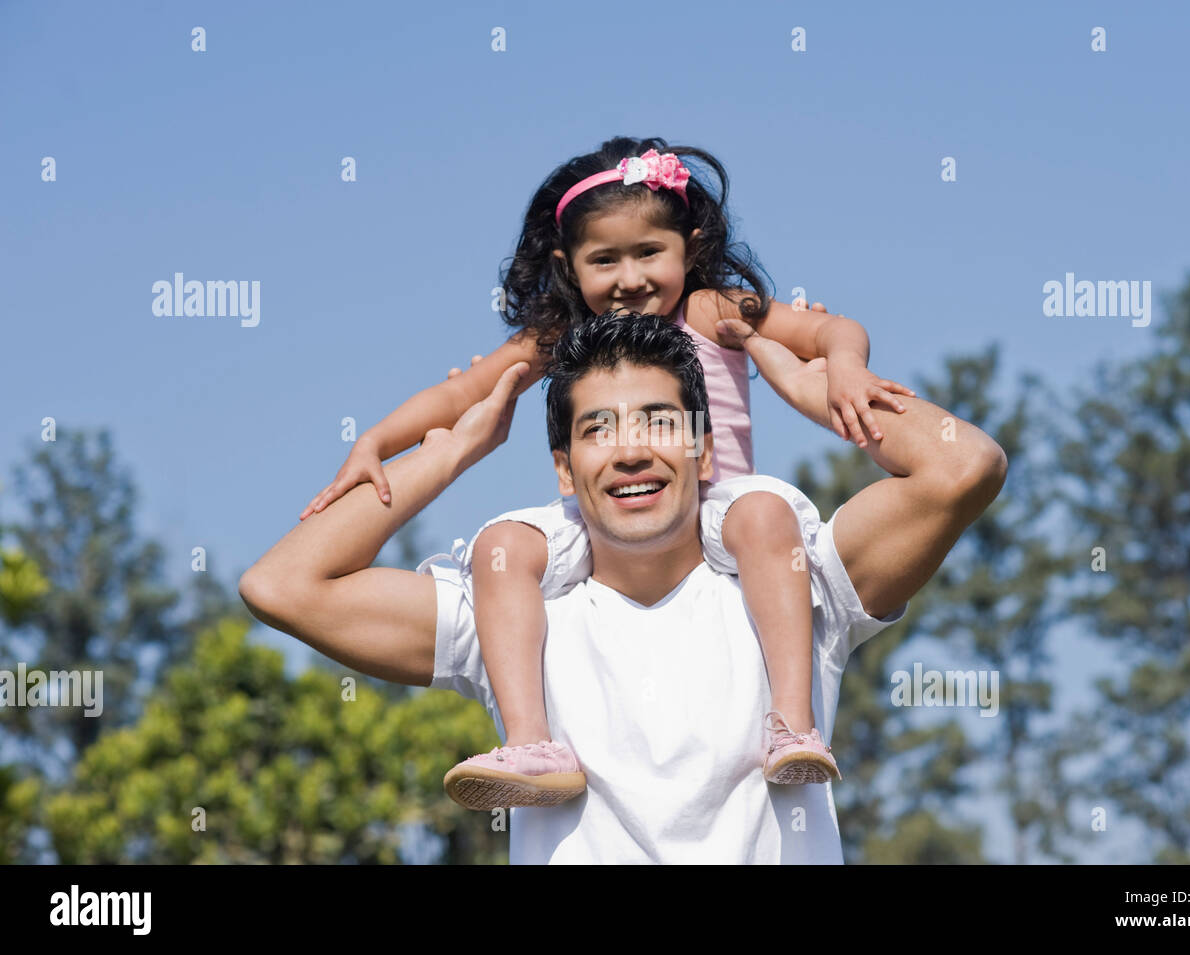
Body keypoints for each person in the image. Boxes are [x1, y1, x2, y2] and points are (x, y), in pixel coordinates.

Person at [238, 311, 1007, 864]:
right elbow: (282, 585)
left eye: (659, 423)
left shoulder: (797, 586)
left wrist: (820, 389)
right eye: (598, 429)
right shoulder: (514, 617)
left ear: (705, 452)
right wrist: (452, 450)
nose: (632, 450)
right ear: (564, 470)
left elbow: (964, 466)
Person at [294, 136, 917, 808]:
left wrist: (844, 367)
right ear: (569, 264)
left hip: (716, 510)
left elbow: (834, 330)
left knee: (768, 517)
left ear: (691, 246)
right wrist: (376, 442)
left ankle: (793, 724)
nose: (629, 277)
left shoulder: (708, 309)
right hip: (607, 523)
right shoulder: (559, 335)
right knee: (502, 548)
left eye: (649, 252)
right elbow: (458, 395)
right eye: (604, 259)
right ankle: (531, 742)